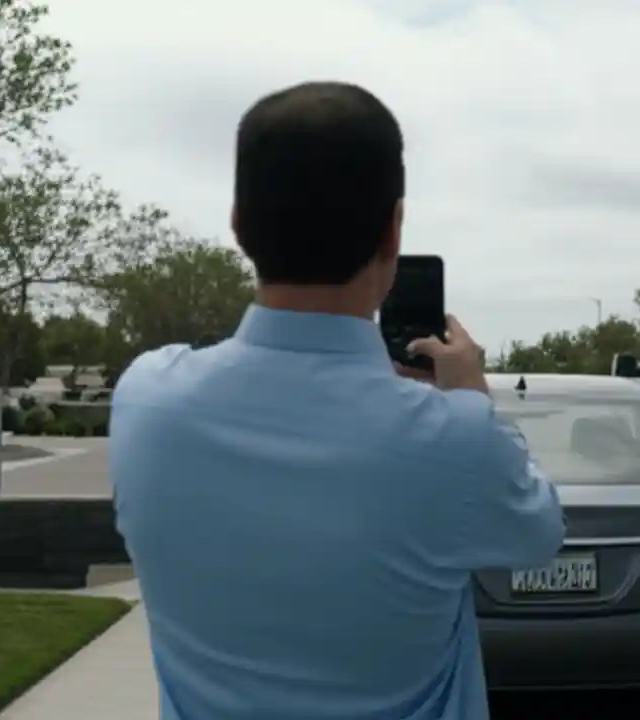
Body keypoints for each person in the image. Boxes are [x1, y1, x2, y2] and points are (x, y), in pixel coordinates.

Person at [109, 81, 565, 720]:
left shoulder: (147, 400)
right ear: (393, 229)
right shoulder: (452, 437)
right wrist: (468, 397)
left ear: (239, 225)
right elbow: (538, 530)